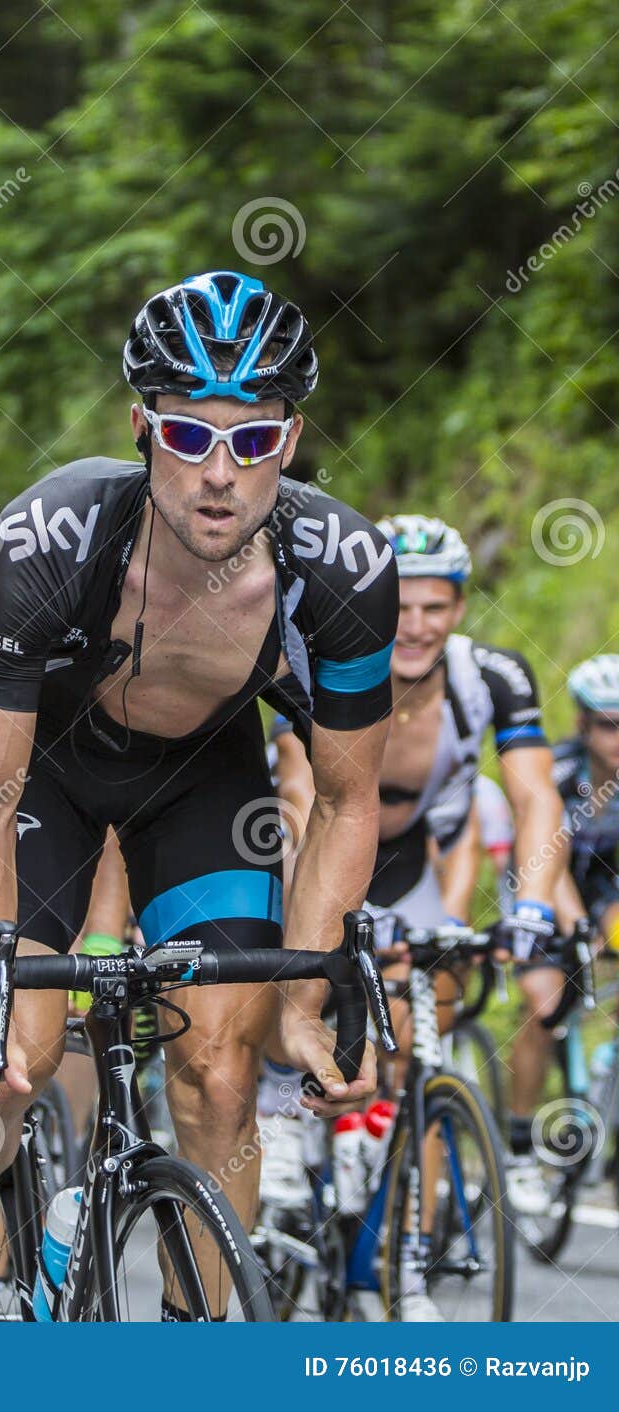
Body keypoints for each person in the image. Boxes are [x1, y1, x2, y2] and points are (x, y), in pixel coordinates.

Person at [0, 270, 393, 1321]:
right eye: (187, 435)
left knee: (219, 1073)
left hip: (202, 782)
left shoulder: (342, 570)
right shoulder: (48, 539)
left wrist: (304, 1005)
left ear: (291, 441)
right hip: (48, 778)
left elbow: (347, 800)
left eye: (251, 440)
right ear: (140, 426)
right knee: (12, 1060)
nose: (219, 473)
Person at [275, 515, 568, 1232]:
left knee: (416, 1027)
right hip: (305, 845)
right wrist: (322, 920)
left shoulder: (490, 676)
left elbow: (535, 796)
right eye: (399, 604)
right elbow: (299, 797)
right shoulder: (320, 656)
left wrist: (531, 905)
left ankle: (401, 1226)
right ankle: (280, 1110)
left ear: (460, 609)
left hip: (406, 865)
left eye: (435, 607)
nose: (415, 625)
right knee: (292, 971)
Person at [554, 656, 619, 947]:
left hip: (601, 881)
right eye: (609, 725)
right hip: (547, 879)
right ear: (583, 724)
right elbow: (544, 863)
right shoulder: (556, 773)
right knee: (547, 988)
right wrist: (579, 931)